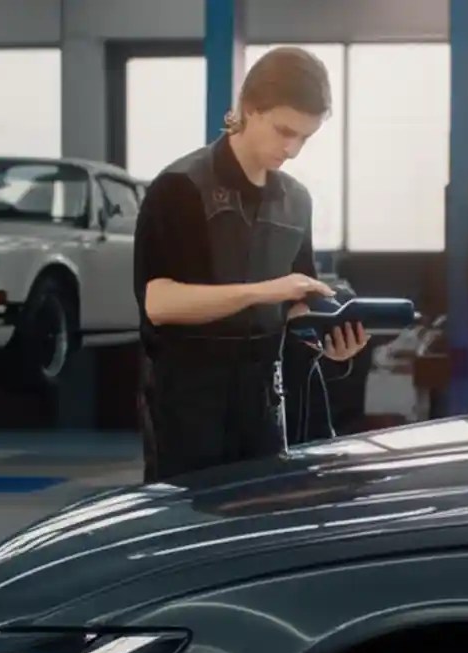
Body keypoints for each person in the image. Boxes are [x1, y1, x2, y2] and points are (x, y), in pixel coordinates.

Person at [134, 46, 369, 483]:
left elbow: (299, 301)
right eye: (284, 131)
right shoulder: (179, 188)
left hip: (265, 397)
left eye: (305, 137)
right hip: (187, 401)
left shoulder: (296, 201)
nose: (293, 149)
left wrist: (331, 339)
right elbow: (159, 302)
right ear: (248, 109)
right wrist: (266, 290)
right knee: (190, 535)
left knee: (262, 530)